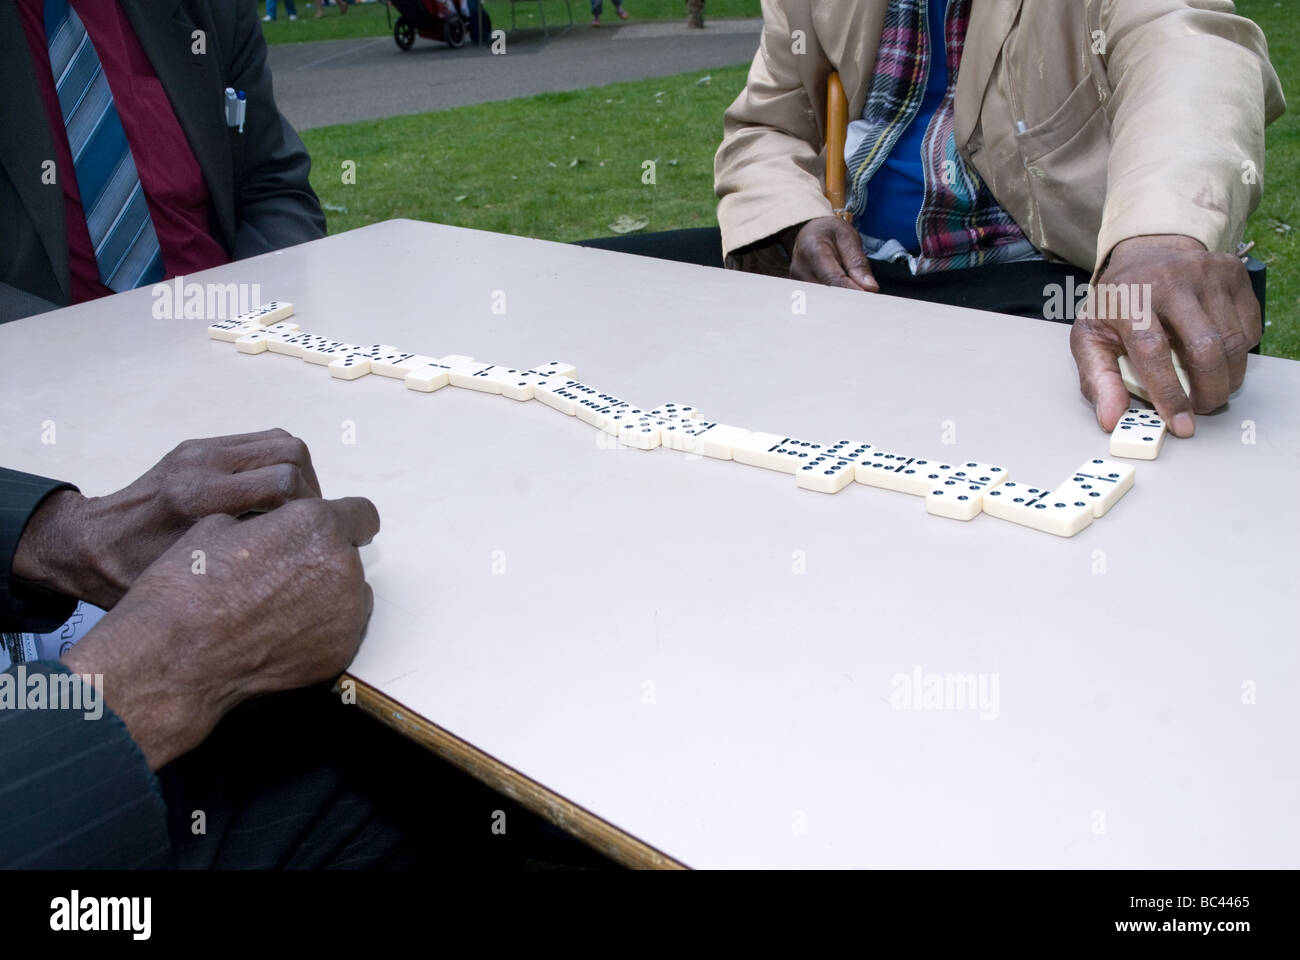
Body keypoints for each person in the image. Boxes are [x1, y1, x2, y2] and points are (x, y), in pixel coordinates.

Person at [712, 0, 1285, 440]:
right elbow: (768, 124)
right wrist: (794, 219)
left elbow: (1188, 49)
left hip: (1045, 278)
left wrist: (1159, 237)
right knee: (655, 303)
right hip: (857, 271)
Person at [0, 0, 325, 324]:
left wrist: (254, 310)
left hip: (229, 324)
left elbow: (275, 186)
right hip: (59, 350)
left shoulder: (213, 11)